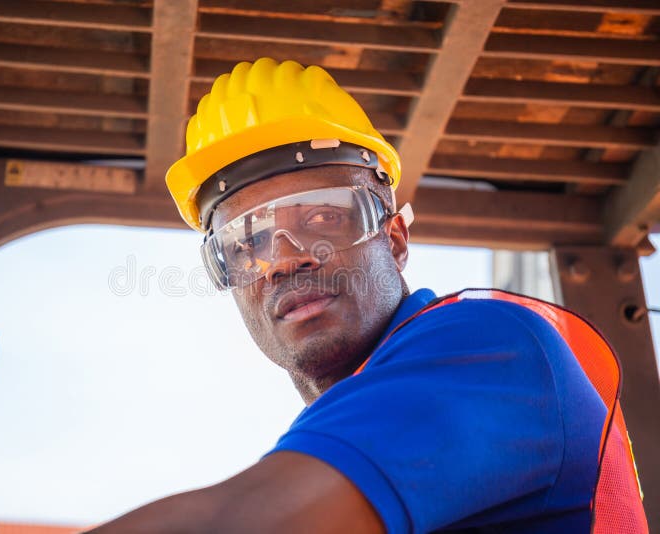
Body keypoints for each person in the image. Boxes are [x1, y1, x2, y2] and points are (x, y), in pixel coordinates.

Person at [88, 58, 647, 533]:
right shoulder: (328, 443)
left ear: (395, 239)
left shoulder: (491, 354)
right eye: (245, 242)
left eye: (325, 217)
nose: (285, 258)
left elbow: (231, 521)